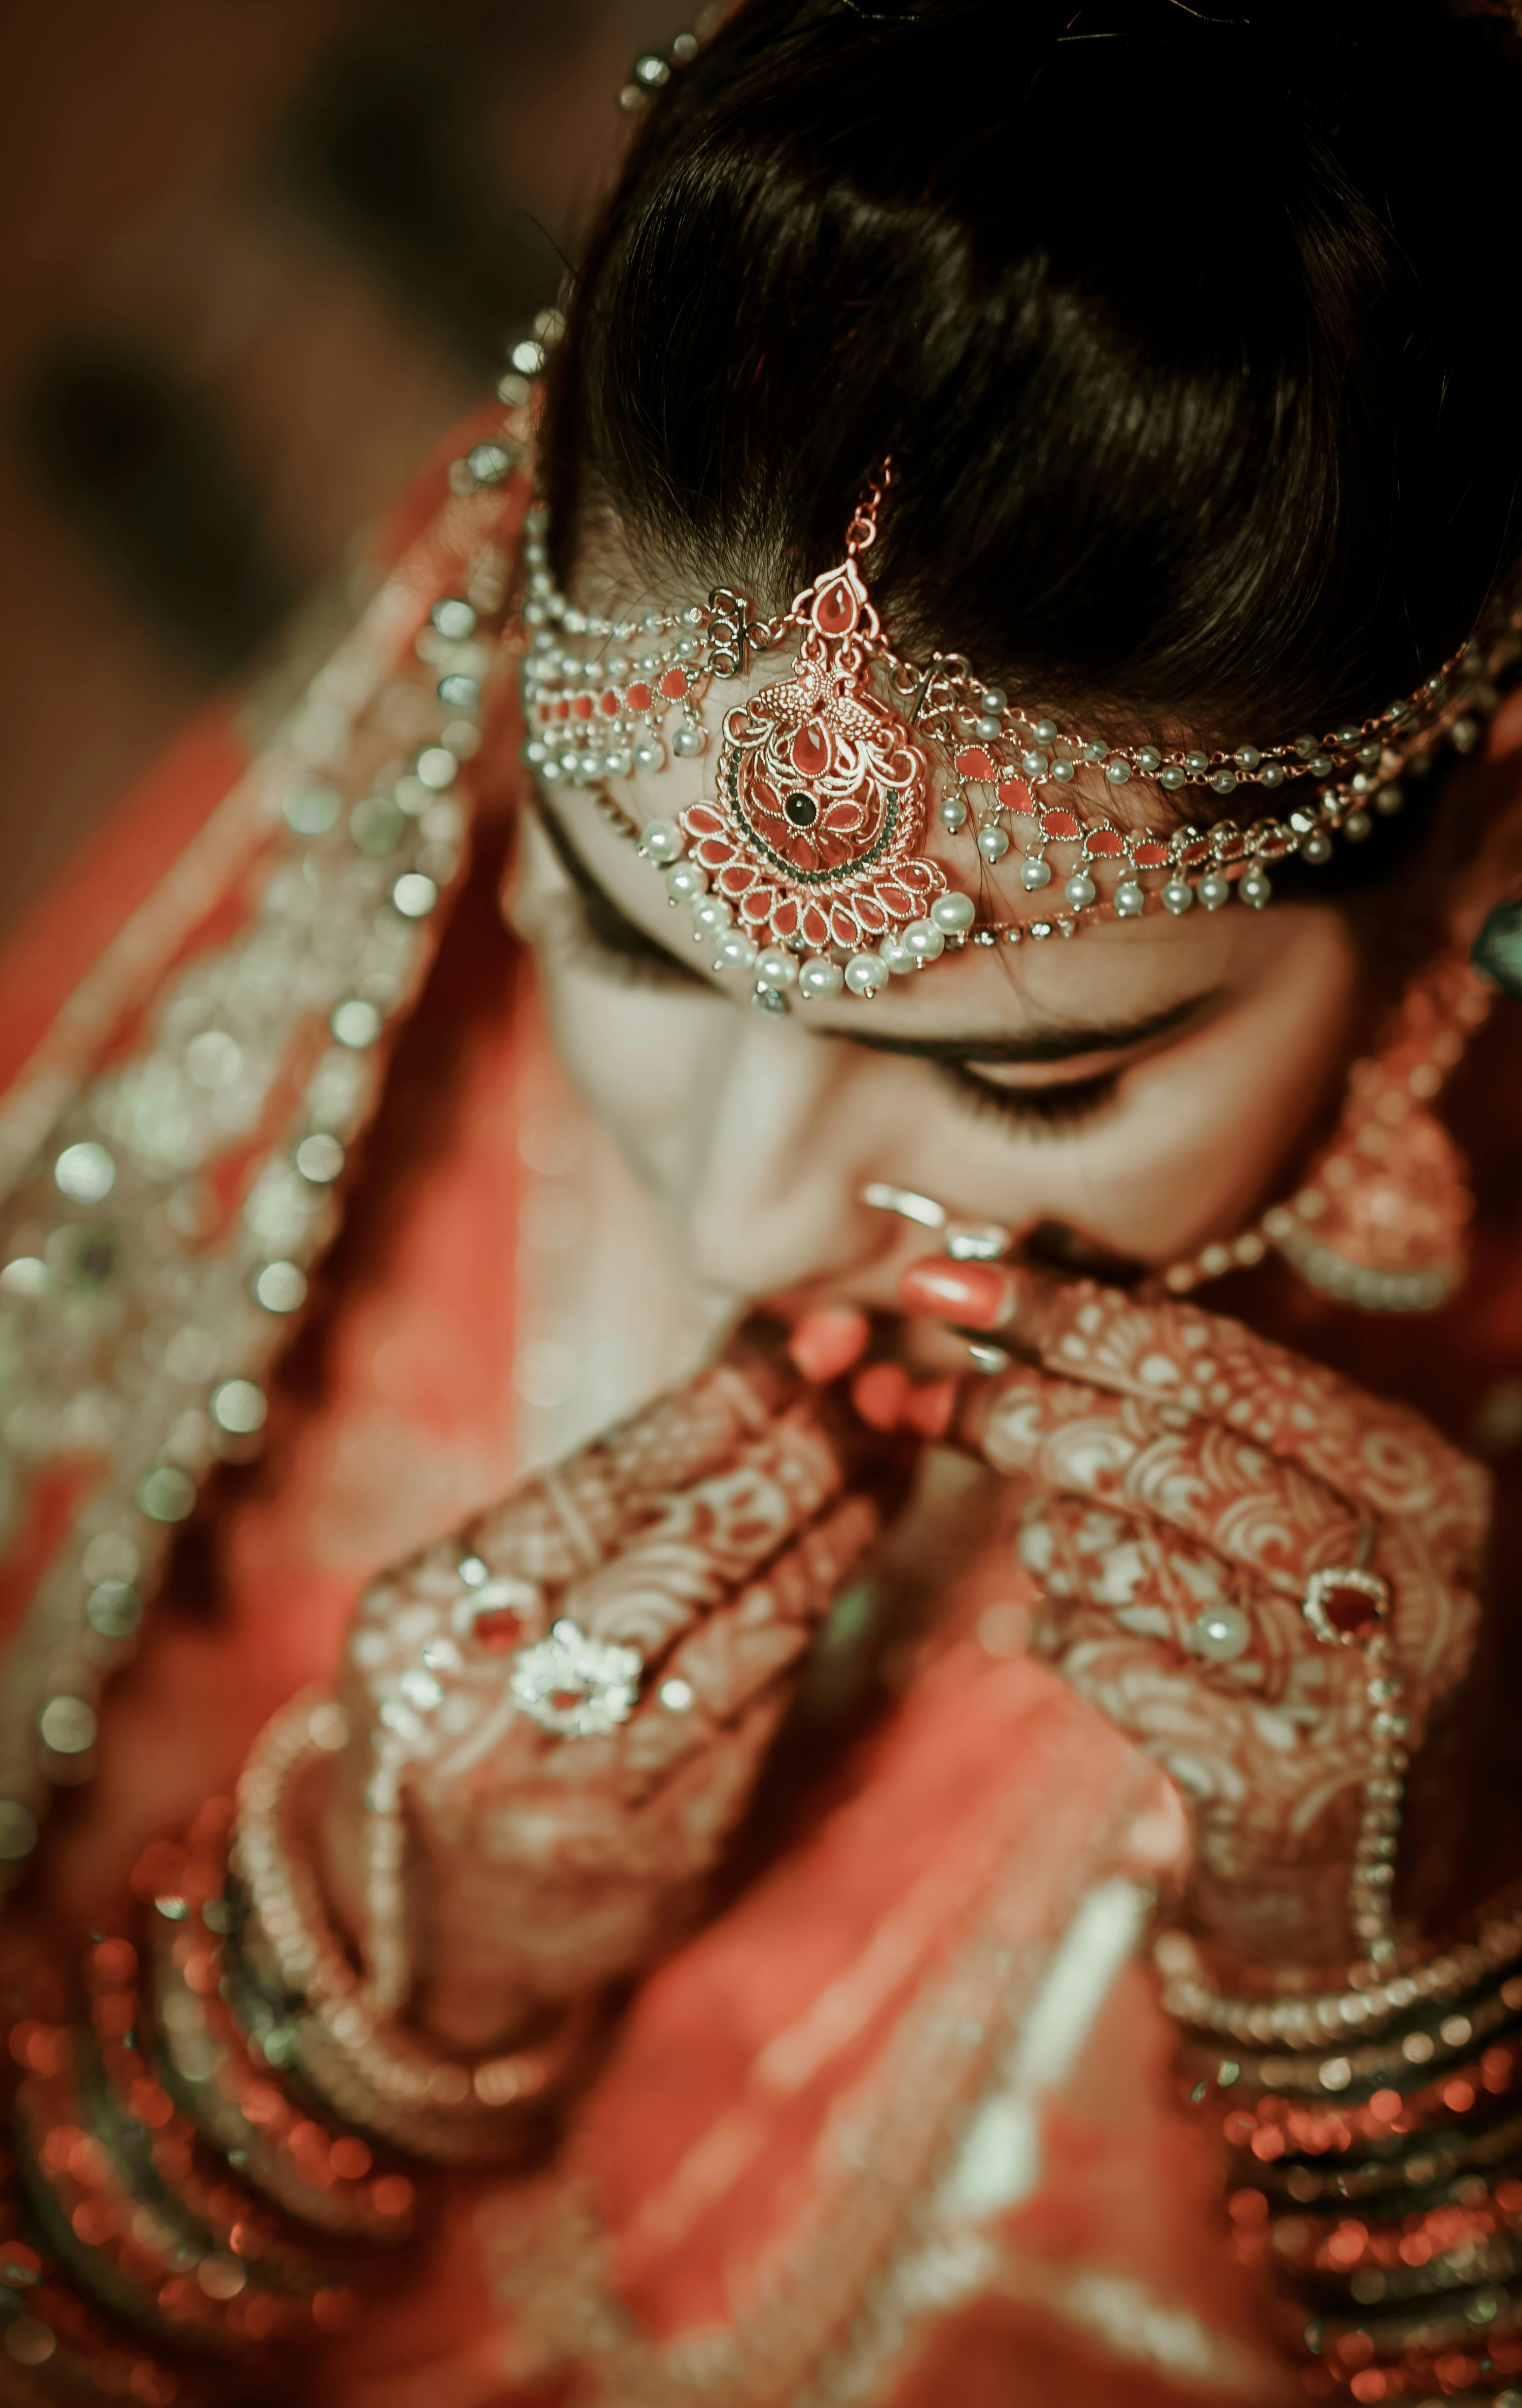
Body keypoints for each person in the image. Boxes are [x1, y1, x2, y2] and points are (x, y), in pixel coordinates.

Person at [2, 1, 1522, 2400]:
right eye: (619, 933)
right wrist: (342, 1990)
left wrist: (1382, 1989)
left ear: (1465, 884)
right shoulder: (317, 1071)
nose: (740, 1214)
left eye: (1034, 1076)